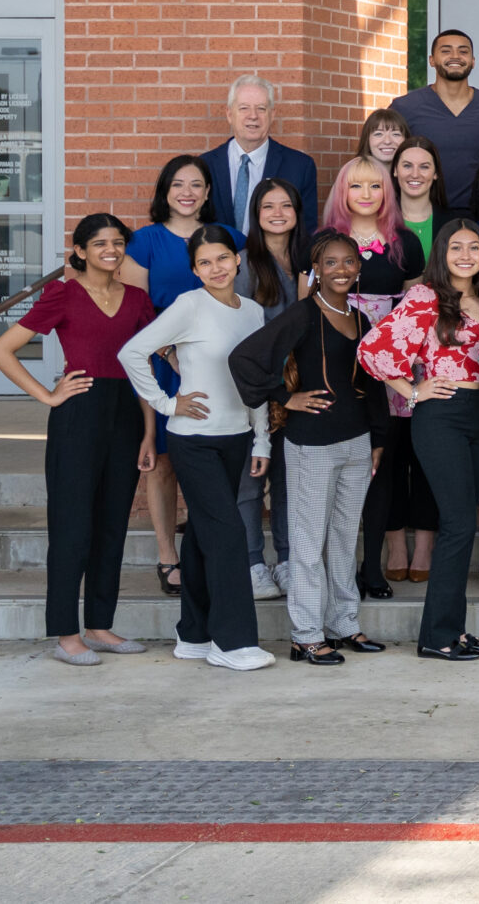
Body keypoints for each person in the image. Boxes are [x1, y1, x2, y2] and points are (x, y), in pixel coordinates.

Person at [0, 215, 155, 665]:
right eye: (100, 243)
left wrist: (147, 432)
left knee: (112, 525)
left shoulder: (138, 299)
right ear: (80, 250)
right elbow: (1, 349)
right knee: (72, 527)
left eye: (118, 242)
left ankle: (100, 625)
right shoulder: (62, 293)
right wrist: (48, 394)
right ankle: (66, 634)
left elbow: (142, 368)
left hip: (125, 411)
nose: (111, 249)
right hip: (78, 412)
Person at [227, 231, 389, 666]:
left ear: (359, 267)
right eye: (330, 262)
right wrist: (284, 395)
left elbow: (373, 384)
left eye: (348, 262)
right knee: (307, 540)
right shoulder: (300, 315)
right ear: (316, 270)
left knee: (342, 538)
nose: (340, 269)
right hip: (310, 444)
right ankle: (305, 636)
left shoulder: (361, 320)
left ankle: (343, 623)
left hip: (356, 442)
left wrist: (378, 437)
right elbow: (243, 359)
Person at [117, 225, 274, 671]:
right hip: (193, 439)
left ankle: (194, 634)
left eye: (222, 258)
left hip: (237, 436)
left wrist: (261, 436)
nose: (215, 268)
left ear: (237, 259)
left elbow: (255, 382)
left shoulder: (253, 312)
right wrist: (168, 404)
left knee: (205, 535)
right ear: (194, 269)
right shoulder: (189, 305)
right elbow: (133, 352)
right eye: (204, 262)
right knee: (227, 534)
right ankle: (233, 643)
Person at [358, 217, 479, 661]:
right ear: (442, 253)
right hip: (440, 414)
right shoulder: (426, 297)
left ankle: (453, 631)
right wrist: (413, 390)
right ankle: (437, 637)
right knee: (459, 523)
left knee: (461, 527)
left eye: (474, 247)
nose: (465, 255)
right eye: (456, 247)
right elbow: (372, 350)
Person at [122, 156, 236, 596]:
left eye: (196, 184)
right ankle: (168, 556)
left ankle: (208, 551)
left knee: (217, 456)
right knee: (165, 462)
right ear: (164, 191)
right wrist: (168, 350)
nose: (186, 192)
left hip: (217, 364)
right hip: (165, 364)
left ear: (208, 193)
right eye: (177, 184)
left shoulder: (225, 239)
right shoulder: (145, 241)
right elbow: (137, 310)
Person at [323, 156, 431, 599]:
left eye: (375, 186)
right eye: (356, 187)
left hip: (399, 364)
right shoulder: (326, 242)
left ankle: (401, 555)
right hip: (345, 360)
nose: (366, 195)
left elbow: (420, 310)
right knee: (371, 462)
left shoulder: (404, 241)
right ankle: (371, 561)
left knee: (407, 452)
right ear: (342, 193)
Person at [232, 178, 305, 598]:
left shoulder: (308, 261)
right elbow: (240, 337)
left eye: (286, 205)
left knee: (289, 480)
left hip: (300, 385)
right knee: (249, 480)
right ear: (256, 216)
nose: (277, 213)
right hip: (255, 388)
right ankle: (252, 563)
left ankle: (290, 560)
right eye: (267, 207)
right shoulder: (243, 265)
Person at [389, 30, 479, 210]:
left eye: (463, 51)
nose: (456, 56)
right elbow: (387, 164)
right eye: (446, 50)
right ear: (431, 60)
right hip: (417, 215)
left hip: (475, 219)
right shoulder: (404, 108)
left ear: (473, 61)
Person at [202, 74, 321, 235]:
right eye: (244, 108)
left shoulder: (300, 166)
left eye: (261, 108)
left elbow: (305, 229)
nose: (253, 115)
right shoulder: (204, 165)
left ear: (272, 114)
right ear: (230, 114)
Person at [390, 136, 451, 260]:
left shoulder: (451, 222)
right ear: (396, 170)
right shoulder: (380, 219)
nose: (415, 174)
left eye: (424, 167)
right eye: (407, 166)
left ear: (435, 173)